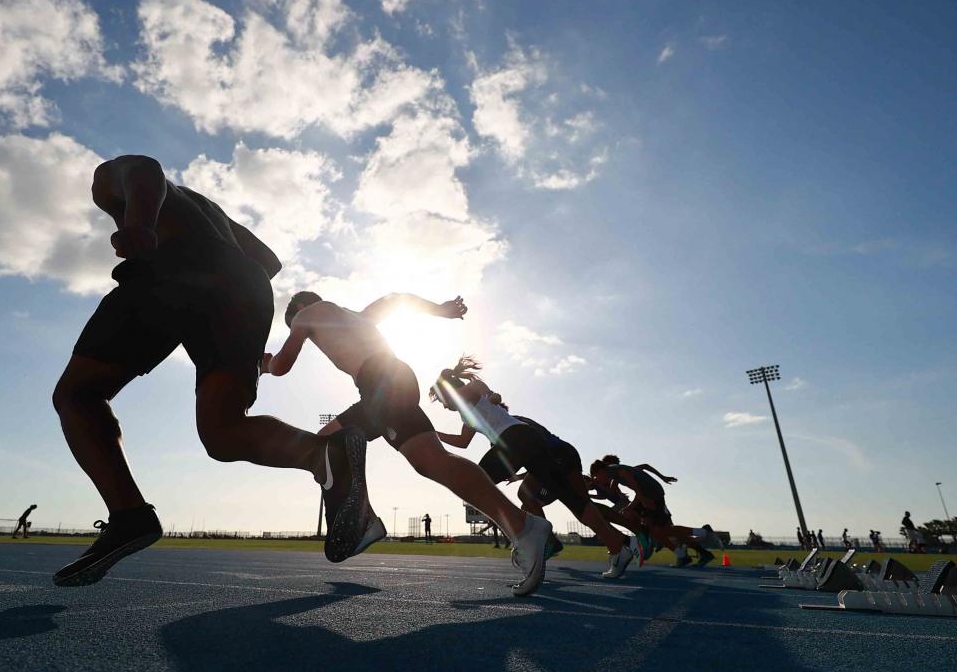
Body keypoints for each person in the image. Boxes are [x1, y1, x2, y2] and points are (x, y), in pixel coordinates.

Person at [50, 155, 372, 586]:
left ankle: (129, 515)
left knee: (79, 394)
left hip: (173, 272)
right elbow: (270, 261)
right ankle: (322, 454)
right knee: (222, 433)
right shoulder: (209, 211)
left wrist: (141, 228)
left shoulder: (107, 179)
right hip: (246, 288)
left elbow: (144, 168)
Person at [265, 292, 552, 595]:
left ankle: (364, 520)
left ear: (298, 309)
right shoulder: (356, 315)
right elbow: (396, 300)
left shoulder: (305, 313)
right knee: (431, 461)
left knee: (322, 445)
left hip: (378, 382)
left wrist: (265, 365)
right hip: (397, 376)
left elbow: (282, 364)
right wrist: (440, 310)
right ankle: (525, 527)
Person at [430, 357, 640, 580]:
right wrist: (432, 434)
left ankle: (527, 535)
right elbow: (462, 442)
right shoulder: (466, 414)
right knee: (571, 498)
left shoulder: (468, 392)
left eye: (442, 400)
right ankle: (618, 546)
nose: (444, 406)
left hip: (514, 439)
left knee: (472, 484)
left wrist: (491, 395)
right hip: (527, 441)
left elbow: (484, 390)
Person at [588, 455, 722, 568]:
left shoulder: (618, 471)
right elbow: (612, 491)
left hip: (652, 497)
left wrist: (640, 500)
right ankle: (683, 553)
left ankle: (702, 535)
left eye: (597, 476)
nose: (598, 479)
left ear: (604, 468)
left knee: (667, 531)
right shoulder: (615, 477)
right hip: (650, 496)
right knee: (661, 532)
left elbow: (636, 484)